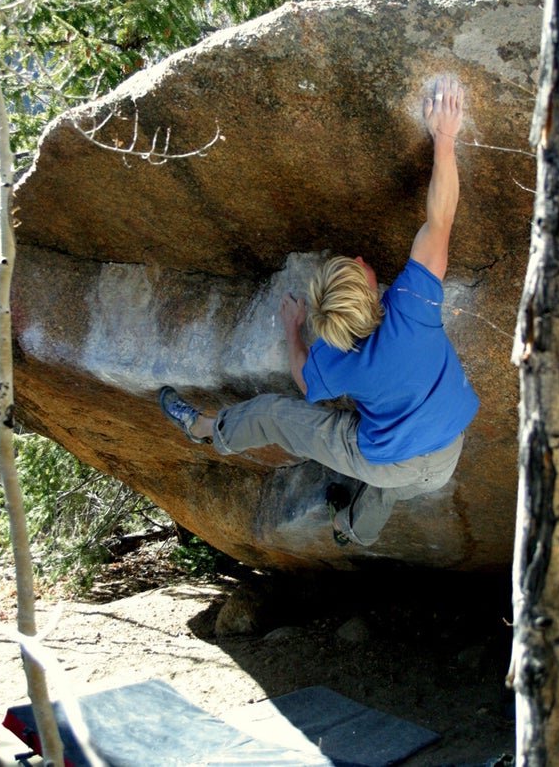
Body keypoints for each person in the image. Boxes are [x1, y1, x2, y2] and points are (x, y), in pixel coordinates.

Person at [159, 75, 479, 547]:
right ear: (372, 295)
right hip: (447, 453)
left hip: (390, 459)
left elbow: (306, 383)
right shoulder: (414, 305)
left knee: (278, 416)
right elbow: (441, 216)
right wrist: (444, 137)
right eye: (361, 267)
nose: (365, 260)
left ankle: (210, 428)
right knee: (386, 480)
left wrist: (293, 331)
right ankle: (349, 527)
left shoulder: (333, 355)